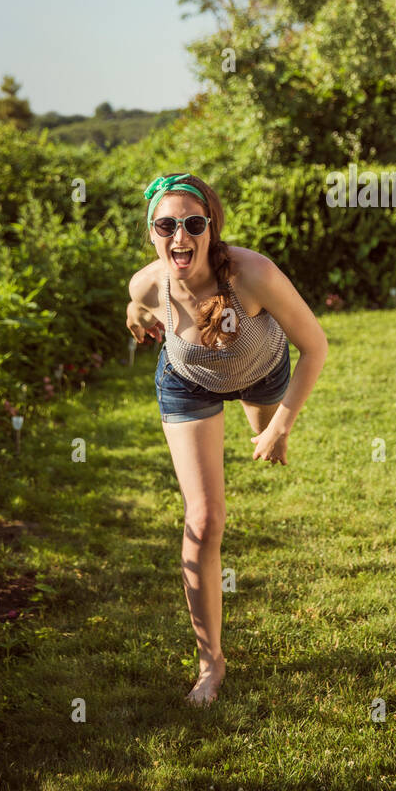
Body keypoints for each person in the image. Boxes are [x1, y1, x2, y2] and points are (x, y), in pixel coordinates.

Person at [125, 172, 328, 705]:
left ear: (211, 228)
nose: (179, 236)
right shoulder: (148, 284)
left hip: (262, 372)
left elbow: (317, 347)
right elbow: (138, 308)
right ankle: (210, 663)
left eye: (193, 224)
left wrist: (282, 426)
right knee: (205, 516)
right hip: (188, 383)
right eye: (165, 225)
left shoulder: (253, 274)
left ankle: (258, 420)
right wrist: (136, 318)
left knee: (264, 437)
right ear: (151, 233)